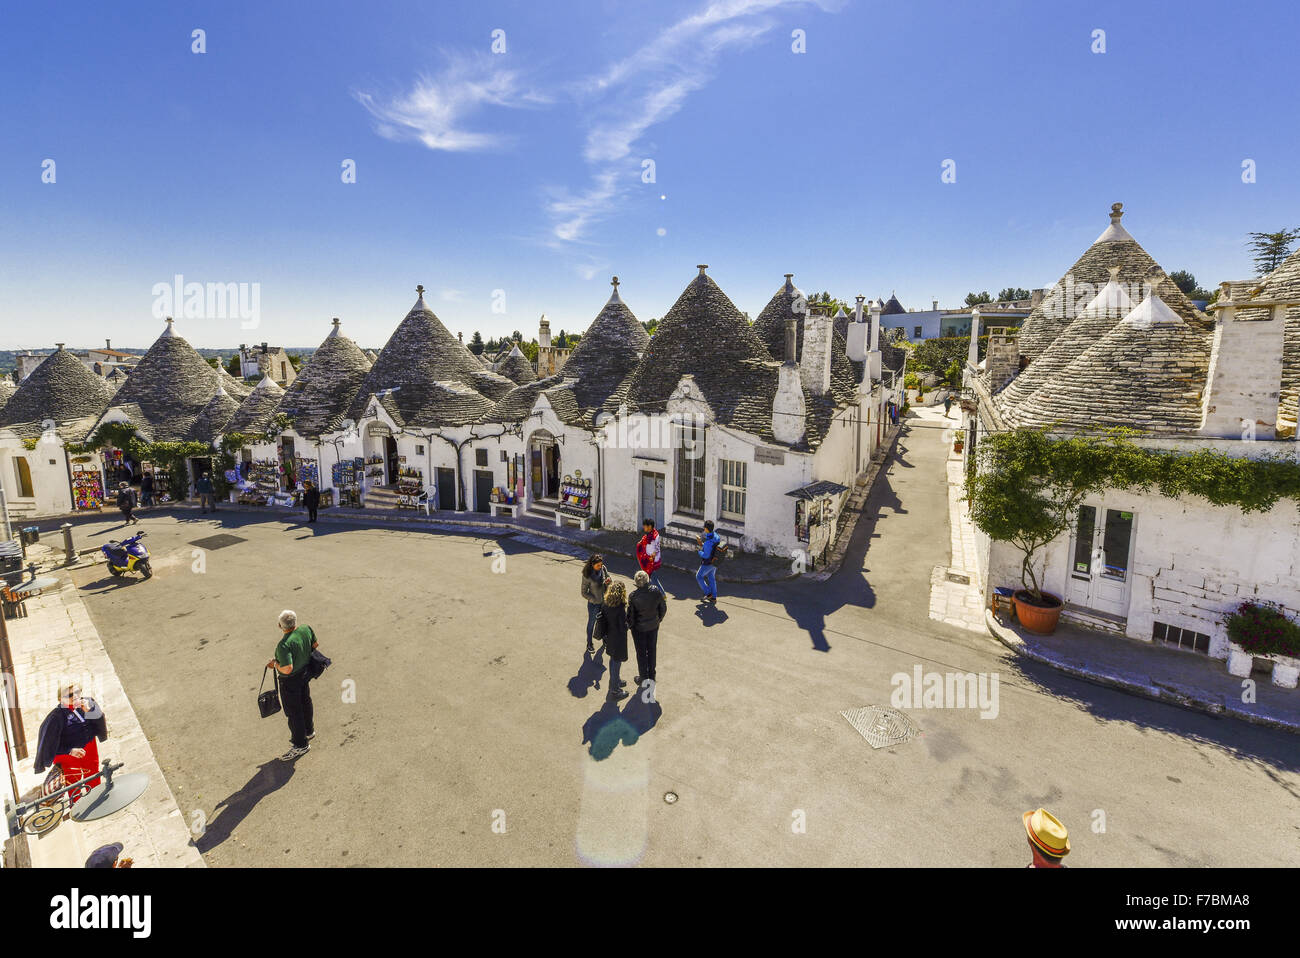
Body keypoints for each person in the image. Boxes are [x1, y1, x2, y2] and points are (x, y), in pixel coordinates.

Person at [34, 683, 109, 809]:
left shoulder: (88, 703)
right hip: (68, 754)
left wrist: (90, 711)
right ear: (60, 699)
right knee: (73, 781)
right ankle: (77, 806)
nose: (75, 696)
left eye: (78, 692)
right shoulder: (55, 717)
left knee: (93, 773)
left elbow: (100, 721)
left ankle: (96, 799)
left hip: (89, 746)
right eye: (69, 695)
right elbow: (49, 744)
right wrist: (69, 751)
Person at [267, 609, 318, 761]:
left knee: (293, 712)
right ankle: (309, 730)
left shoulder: (284, 645)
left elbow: (287, 668)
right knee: (306, 701)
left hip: (290, 682)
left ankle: (300, 744)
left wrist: (275, 664)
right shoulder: (306, 629)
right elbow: (315, 644)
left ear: (280, 626)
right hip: (305, 673)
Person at [627, 570, 667, 697]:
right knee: (652, 651)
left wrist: (632, 627)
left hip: (639, 629)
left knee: (641, 654)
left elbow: (630, 617)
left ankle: (643, 678)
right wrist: (658, 619)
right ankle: (652, 677)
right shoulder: (656, 591)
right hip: (653, 626)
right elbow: (663, 608)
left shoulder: (633, 596)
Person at [599, 579, 630, 702]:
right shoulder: (620, 608)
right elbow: (623, 626)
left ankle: (615, 681)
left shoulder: (605, 604)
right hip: (618, 639)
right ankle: (615, 690)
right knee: (616, 663)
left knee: (612, 660)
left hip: (609, 637)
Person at [580, 554, 611, 654]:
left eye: (601, 564)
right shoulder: (587, 575)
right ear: (592, 565)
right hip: (594, 604)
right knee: (591, 624)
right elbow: (583, 592)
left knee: (604, 622)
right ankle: (589, 643)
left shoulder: (603, 568)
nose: (600, 566)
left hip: (604, 602)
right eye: (598, 565)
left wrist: (608, 581)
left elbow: (609, 578)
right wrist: (593, 599)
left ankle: (605, 640)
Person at [635, 518, 665, 593]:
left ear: (649, 526)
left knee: (653, 579)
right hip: (653, 560)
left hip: (650, 562)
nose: (643, 527)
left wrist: (640, 544)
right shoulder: (655, 533)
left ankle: (662, 594)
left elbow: (653, 550)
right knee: (650, 578)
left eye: (644, 526)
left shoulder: (651, 538)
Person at [695, 520, 721, 603]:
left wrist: (699, 551)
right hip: (715, 561)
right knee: (711, 578)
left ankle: (708, 593)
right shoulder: (716, 536)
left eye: (704, 528)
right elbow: (710, 548)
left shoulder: (707, 542)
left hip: (708, 563)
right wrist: (702, 544)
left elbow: (706, 555)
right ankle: (714, 597)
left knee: (698, 576)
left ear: (706, 529)